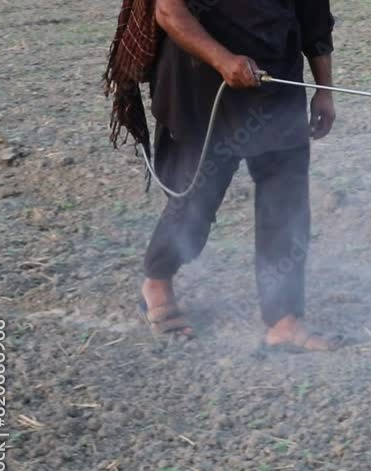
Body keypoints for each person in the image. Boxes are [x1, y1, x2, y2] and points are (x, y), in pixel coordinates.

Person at [113, 0, 337, 350]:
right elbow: (169, 11)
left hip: (276, 81)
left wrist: (324, 90)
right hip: (199, 80)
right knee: (196, 198)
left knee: (287, 202)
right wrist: (222, 60)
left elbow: (314, 18)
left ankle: (283, 319)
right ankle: (157, 280)